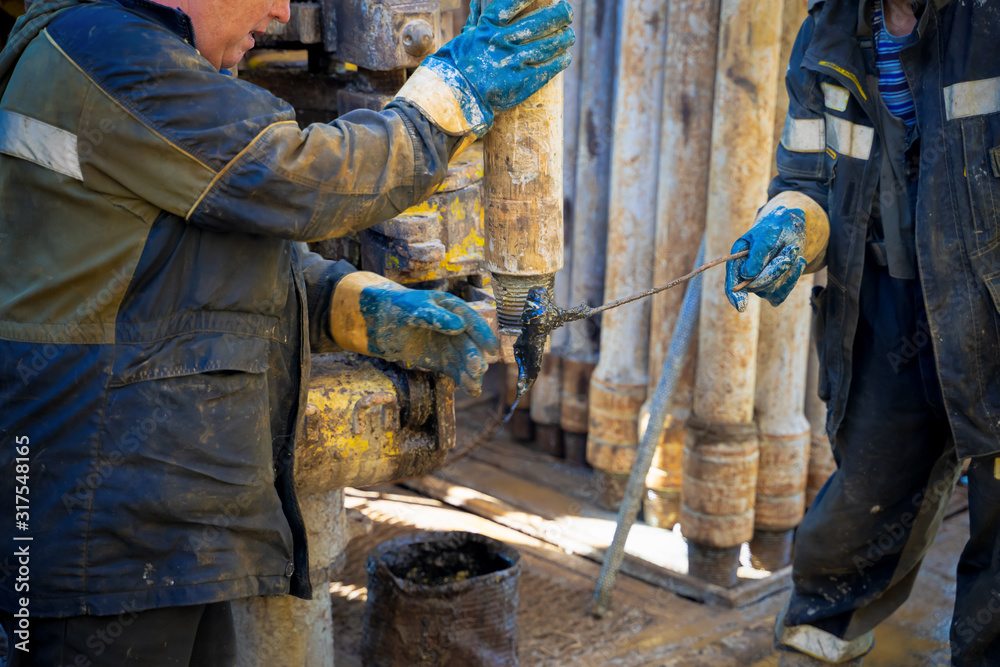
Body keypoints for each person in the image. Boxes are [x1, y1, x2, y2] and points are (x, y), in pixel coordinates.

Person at [0, 0, 573, 661]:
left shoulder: (107, 46)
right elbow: (296, 177)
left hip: (147, 526)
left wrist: (359, 307)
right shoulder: (107, 50)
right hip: (100, 535)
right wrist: (449, 99)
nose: (279, 13)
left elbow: (188, 265)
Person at [725, 0, 1000, 664]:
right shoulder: (830, 31)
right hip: (889, 301)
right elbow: (806, 178)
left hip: (988, 305)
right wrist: (789, 223)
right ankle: (818, 634)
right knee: (861, 503)